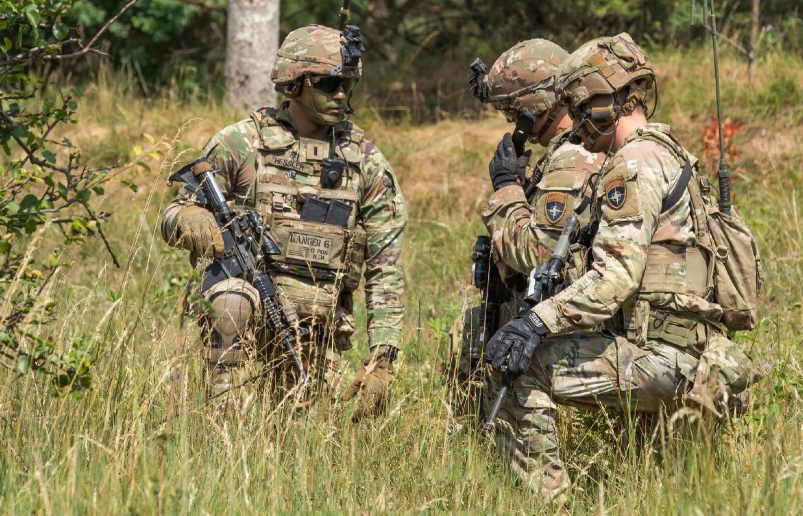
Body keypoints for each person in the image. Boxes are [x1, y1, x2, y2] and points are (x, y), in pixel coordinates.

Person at [483, 32, 754, 501]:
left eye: (580, 107)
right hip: (692, 351)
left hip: (663, 357)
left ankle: (546, 506)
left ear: (606, 102)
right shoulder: (672, 152)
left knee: (516, 368)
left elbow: (614, 279)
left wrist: (534, 323)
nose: (577, 124)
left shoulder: (633, 164)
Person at [161, 24, 407, 418]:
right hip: (252, 310)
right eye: (329, 84)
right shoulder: (243, 143)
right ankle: (224, 422)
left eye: (348, 85)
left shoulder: (366, 163)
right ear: (294, 84)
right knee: (230, 300)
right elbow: (173, 213)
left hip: (317, 330)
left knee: (306, 429)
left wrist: (382, 358)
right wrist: (189, 217)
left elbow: (386, 269)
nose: (341, 95)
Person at [448, 39, 605, 488]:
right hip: (566, 309)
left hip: (572, 317)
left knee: (504, 355)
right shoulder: (563, 153)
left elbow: (536, 253)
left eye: (510, 111)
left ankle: (539, 490)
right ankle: (478, 465)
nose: (508, 123)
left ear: (531, 107)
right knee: (472, 329)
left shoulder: (572, 158)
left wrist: (506, 190)